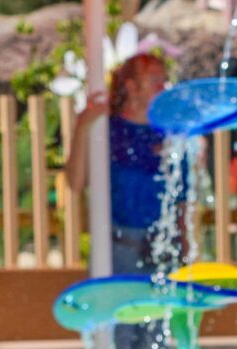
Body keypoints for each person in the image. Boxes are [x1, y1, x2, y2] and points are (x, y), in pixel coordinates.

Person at [65, 46, 180, 275]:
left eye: (164, 80)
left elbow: (182, 202)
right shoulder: (107, 131)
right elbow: (75, 183)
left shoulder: (169, 135)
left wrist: (185, 253)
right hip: (119, 250)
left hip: (164, 248)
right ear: (131, 86)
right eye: (154, 80)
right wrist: (82, 126)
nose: (162, 87)